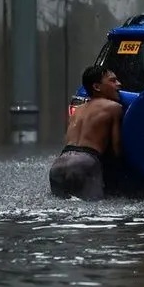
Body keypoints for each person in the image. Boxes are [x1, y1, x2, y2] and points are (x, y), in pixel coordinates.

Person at [49, 65, 123, 201]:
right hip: (85, 162)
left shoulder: (78, 110)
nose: (119, 84)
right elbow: (116, 147)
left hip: (59, 163)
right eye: (113, 81)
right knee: (92, 210)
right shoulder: (114, 108)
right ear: (96, 87)